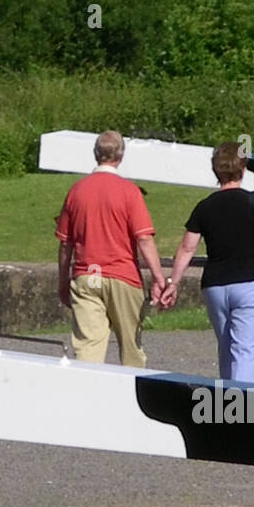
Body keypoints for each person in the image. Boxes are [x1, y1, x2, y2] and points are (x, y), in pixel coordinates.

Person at [161, 142, 254, 382]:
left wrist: (173, 282)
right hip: (248, 282)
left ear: (216, 172)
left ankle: (225, 404)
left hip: (214, 285)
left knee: (226, 348)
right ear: (243, 170)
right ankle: (240, 410)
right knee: (245, 350)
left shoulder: (204, 206)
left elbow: (187, 248)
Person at [54, 130, 167, 366]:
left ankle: (88, 395)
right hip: (122, 276)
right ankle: (131, 395)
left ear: (95, 154)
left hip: (88, 274)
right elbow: (143, 239)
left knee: (87, 348)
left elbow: (66, 243)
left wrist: (63, 281)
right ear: (121, 155)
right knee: (131, 347)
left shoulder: (76, 191)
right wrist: (159, 278)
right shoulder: (129, 192)